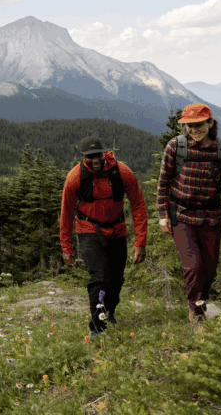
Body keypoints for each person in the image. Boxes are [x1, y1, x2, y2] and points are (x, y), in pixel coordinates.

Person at [156, 103, 221, 328]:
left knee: (209, 268)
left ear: (210, 123)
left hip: (211, 216)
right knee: (193, 265)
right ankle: (196, 312)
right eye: (189, 126)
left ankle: (201, 302)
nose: (193, 130)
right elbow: (163, 182)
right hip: (181, 214)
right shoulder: (175, 147)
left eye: (198, 125)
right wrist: (162, 214)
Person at [60, 136, 148, 335]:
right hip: (89, 230)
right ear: (83, 157)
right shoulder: (75, 177)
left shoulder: (122, 172)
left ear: (104, 153)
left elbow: (138, 205)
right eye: (90, 157)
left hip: (117, 230)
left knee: (116, 280)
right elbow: (66, 213)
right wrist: (66, 247)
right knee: (100, 279)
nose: (95, 160)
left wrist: (140, 241)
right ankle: (98, 327)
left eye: (98, 155)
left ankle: (109, 313)